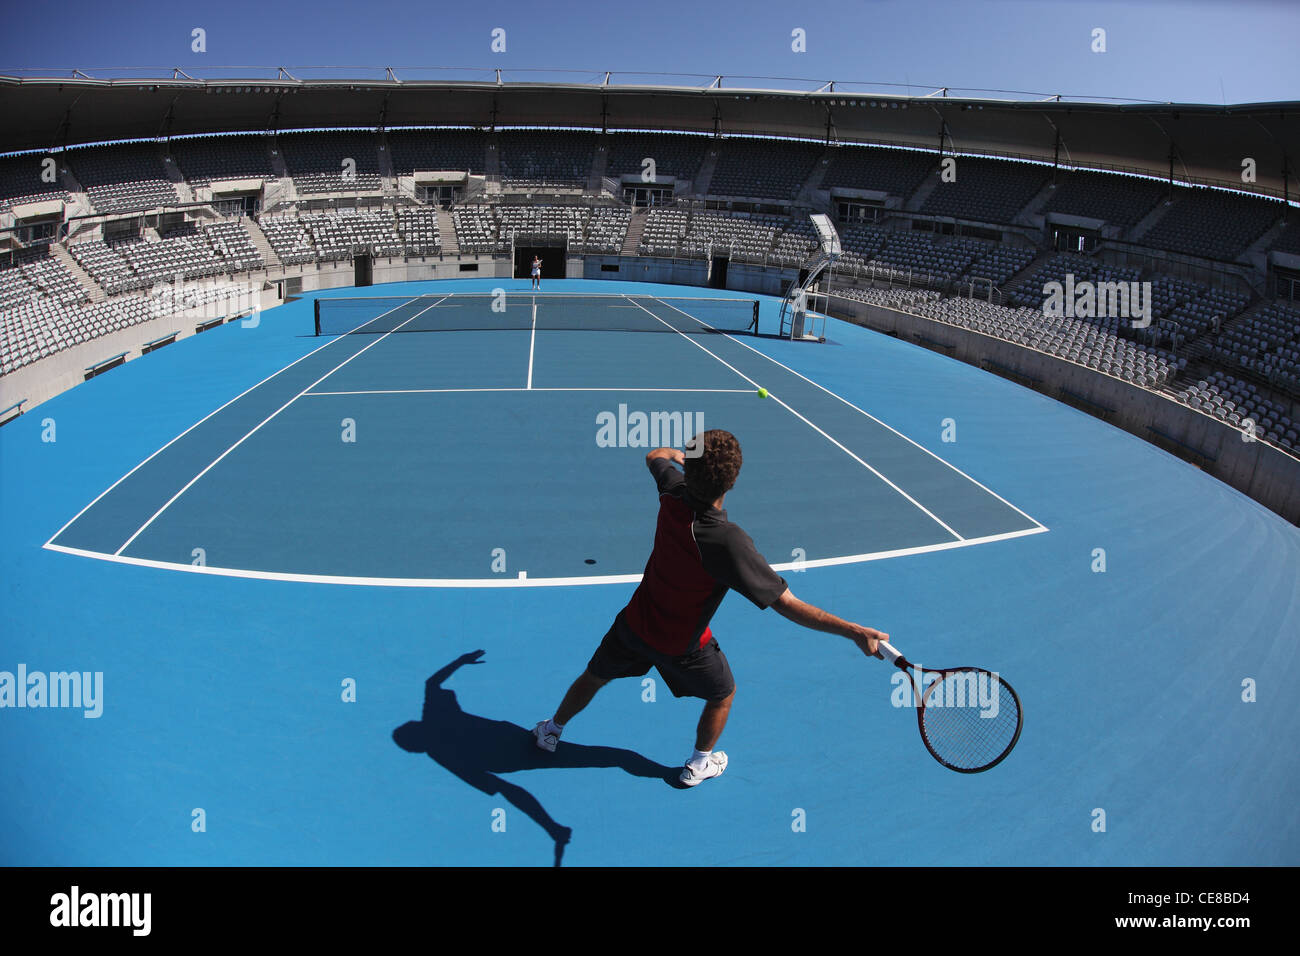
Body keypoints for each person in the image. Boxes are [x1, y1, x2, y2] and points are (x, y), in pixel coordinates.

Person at [534, 429, 888, 787]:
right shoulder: (727, 541)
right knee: (723, 693)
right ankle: (698, 764)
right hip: (682, 646)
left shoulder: (673, 491)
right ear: (731, 482)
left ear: (689, 471)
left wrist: (677, 456)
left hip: (634, 624)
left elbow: (653, 456)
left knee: (594, 676)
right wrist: (854, 631)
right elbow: (787, 605)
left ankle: (551, 730)